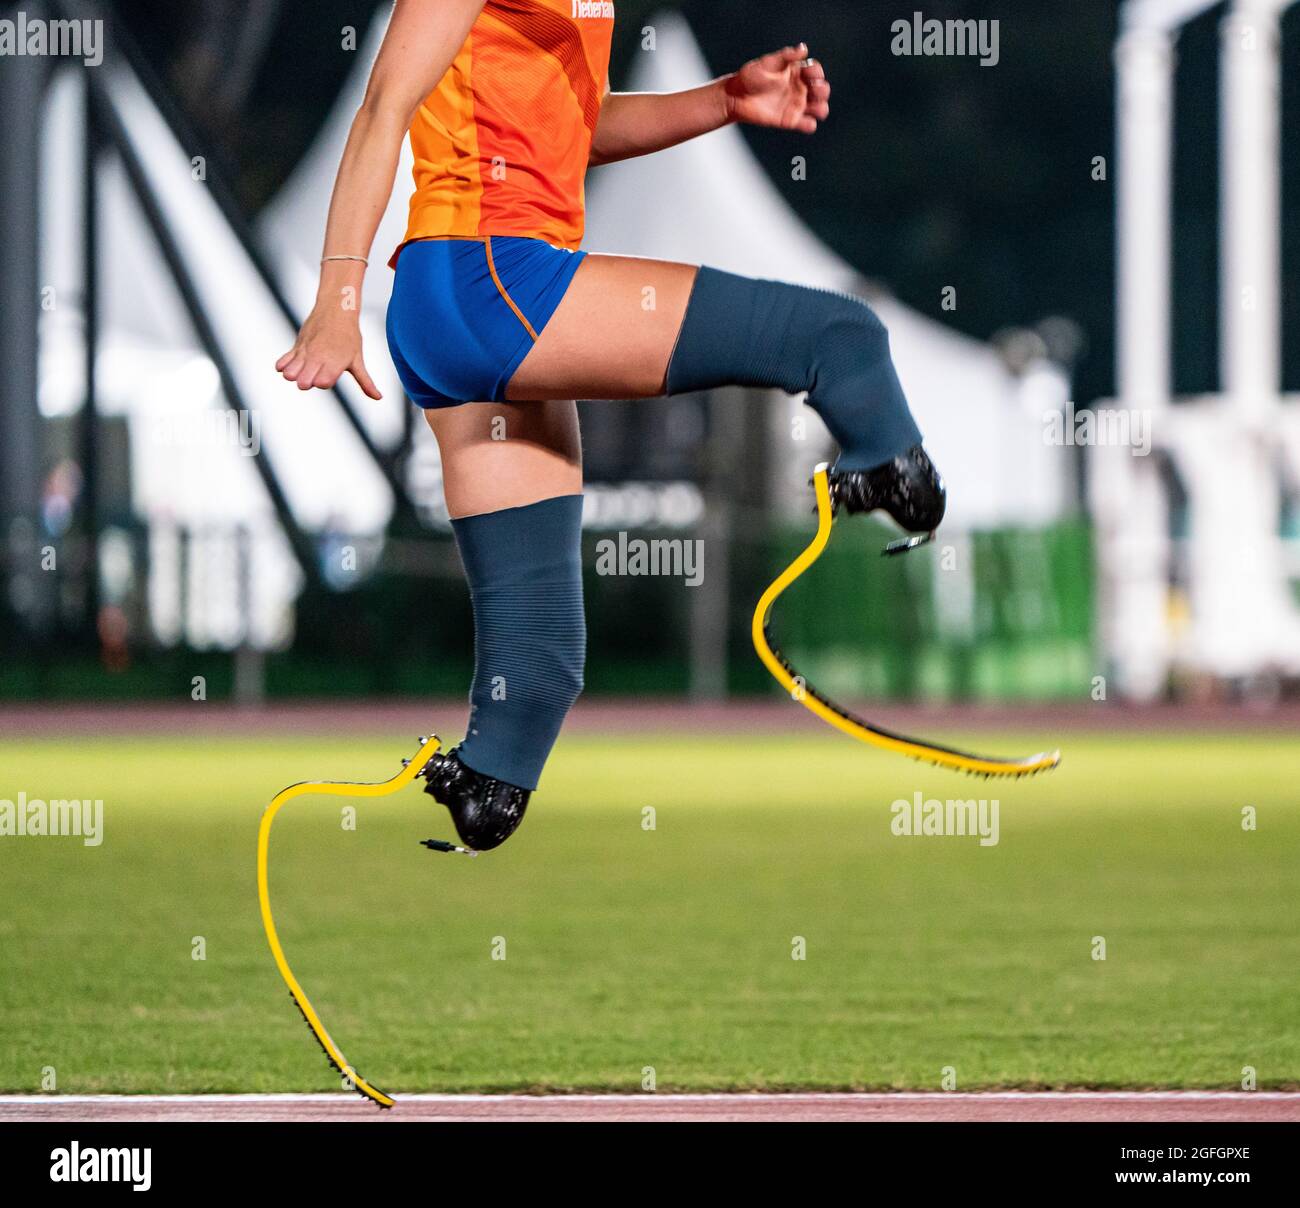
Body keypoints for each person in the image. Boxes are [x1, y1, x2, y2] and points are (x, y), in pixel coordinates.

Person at [276, 0, 945, 851]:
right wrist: (337, 300)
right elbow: (384, 104)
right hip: (490, 277)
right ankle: (884, 473)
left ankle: (482, 783)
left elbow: (573, 127)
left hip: (477, 307)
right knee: (839, 340)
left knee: (541, 666)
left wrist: (725, 101)